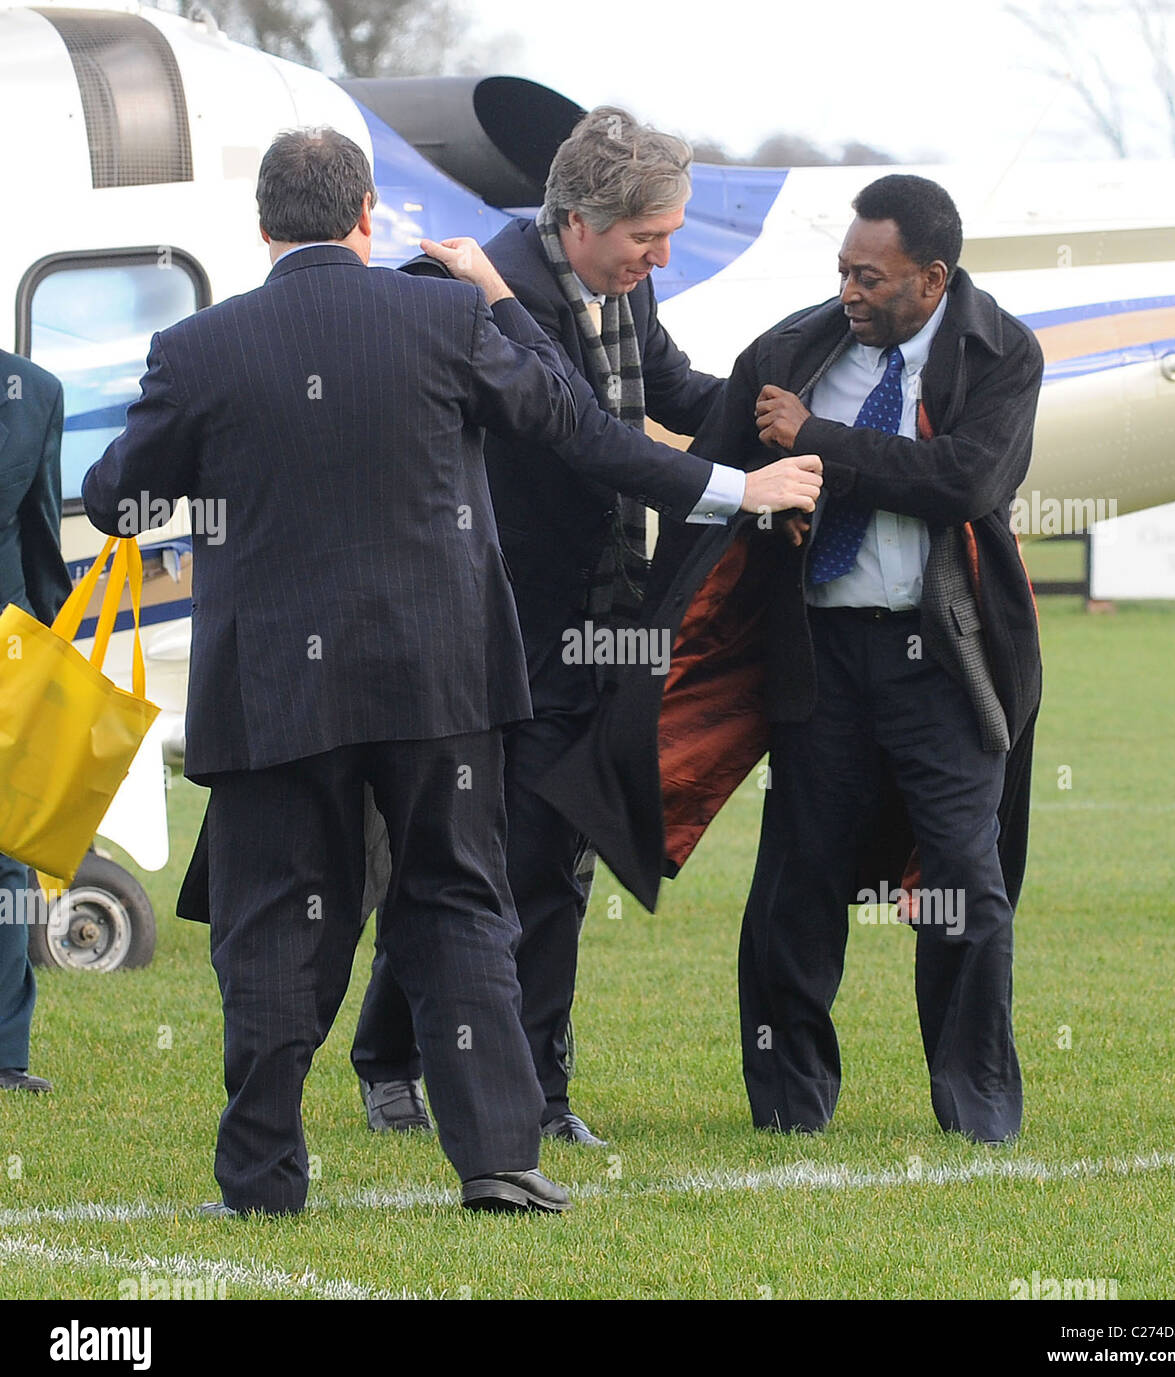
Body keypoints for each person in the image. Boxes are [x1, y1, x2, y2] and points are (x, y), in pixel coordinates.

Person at [83, 127, 589, 1216]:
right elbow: (554, 411)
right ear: (369, 215)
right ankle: (499, 1154)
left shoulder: (197, 348)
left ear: (262, 227)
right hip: (439, 685)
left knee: (272, 924)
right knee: (457, 903)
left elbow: (118, 502)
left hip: (274, 694)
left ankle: (263, 1176)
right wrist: (496, 294)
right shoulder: (449, 317)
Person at [540, 174, 1044, 1145]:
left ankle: (976, 1109)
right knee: (797, 884)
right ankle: (787, 1104)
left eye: (872, 277)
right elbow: (715, 481)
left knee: (963, 886)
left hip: (944, 662)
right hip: (819, 655)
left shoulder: (1000, 353)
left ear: (932, 281)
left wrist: (815, 442)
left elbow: (964, 481)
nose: (849, 292)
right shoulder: (788, 349)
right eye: (842, 271)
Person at [350, 107, 822, 1144]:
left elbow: (677, 392)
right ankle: (391, 1059)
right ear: (575, 219)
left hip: (596, 625)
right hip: (479, 628)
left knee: (548, 862)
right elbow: (587, 438)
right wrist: (743, 487)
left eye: (668, 236)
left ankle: (542, 1094)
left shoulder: (621, 282)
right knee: (470, 859)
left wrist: (797, 419)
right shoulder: (466, 289)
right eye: (646, 238)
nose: (659, 257)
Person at [0, 349, 70, 1095]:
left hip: (9, 653)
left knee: (6, 851)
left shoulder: (36, 393)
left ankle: (3, 1054)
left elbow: (40, 533)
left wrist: (56, 659)